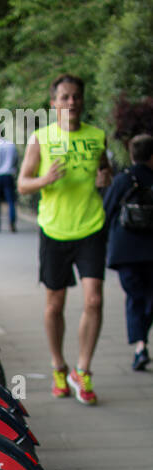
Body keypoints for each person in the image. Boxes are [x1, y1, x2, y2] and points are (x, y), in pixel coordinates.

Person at [17, 74, 112, 405]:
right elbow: (22, 184)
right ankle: (59, 365)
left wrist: (105, 178)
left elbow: (104, 173)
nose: (72, 102)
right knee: (54, 304)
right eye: (65, 97)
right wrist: (45, 179)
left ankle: (83, 370)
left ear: (82, 101)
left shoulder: (97, 137)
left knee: (94, 300)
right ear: (54, 103)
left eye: (76, 97)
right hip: (54, 230)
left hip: (91, 226)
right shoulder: (40, 138)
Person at [102, 133, 153, 370]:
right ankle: (141, 344)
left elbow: (107, 211)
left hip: (125, 252)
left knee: (135, 297)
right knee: (147, 298)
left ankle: (140, 346)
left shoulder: (123, 180)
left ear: (132, 154)